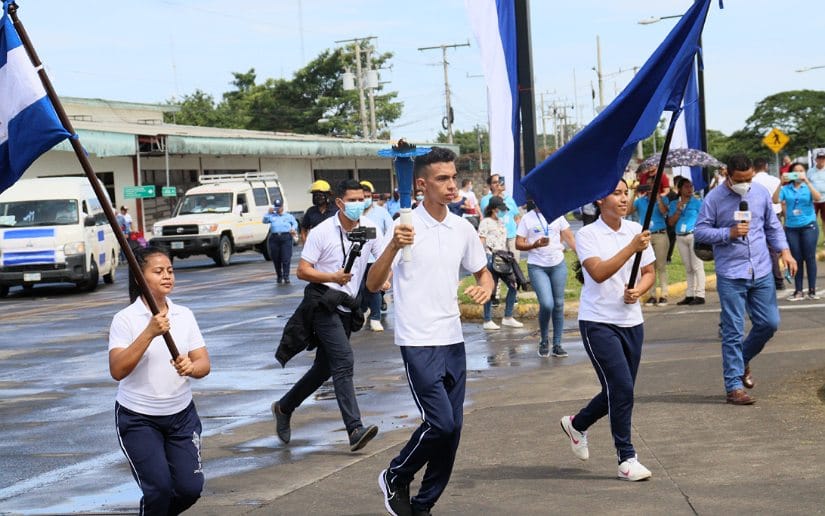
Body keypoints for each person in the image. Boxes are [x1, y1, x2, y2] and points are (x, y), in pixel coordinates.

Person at [366, 146, 492, 516]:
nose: (452, 185)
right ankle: (395, 475)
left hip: (453, 339)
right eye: (442, 179)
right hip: (418, 339)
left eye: (453, 177)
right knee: (441, 422)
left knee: (452, 433)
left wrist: (486, 286)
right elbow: (374, 284)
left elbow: (481, 270)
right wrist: (393, 245)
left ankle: (424, 505)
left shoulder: (461, 228)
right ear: (421, 185)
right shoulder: (403, 225)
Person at [272, 179, 380, 452]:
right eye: (353, 200)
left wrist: (386, 278)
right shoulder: (322, 232)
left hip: (347, 306)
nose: (359, 204)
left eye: (362, 199)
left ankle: (284, 407)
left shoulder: (369, 230)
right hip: (323, 303)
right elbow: (302, 271)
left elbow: (379, 261)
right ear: (340, 203)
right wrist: (332, 276)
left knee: (323, 369)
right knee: (343, 361)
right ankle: (355, 429)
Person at [559, 178, 656, 482]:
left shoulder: (636, 229)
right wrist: (631, 248)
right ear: (600, 200)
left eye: (626, 193)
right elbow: (598, 273)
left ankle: (578, 424)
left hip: (632, 322)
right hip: (599, 322)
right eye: (616, 193)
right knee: (622, 389)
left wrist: (638, 290)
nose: (624, 199)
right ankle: (626, 458)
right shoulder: (587, 234)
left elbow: (650, 273)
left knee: (618, 389)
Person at [109, 246, 211, 515]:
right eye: (158, 271)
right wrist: (150, 332)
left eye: (170, 270)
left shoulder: (184, 315)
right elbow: (118, 370)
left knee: (189, 489)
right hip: (139, 418)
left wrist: (191, 366)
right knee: (160, 489)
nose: (167, 276)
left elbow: (204, 363)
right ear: (139, 278)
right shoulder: (126, 319)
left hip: (181, 416)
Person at [695, 154, 797, 405]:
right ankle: (734, 386)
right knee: (732, 330)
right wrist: (727, 232)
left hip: (761, 269)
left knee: (769, 323)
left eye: (749, 178)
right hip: (731, 273)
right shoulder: (714, 198)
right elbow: (700, 230)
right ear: (728, 175)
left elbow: (772, 226)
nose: (745, 184)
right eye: (740, 180)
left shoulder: (760, 192)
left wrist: (785, 252)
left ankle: (742, 360)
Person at [516, 201, 576, 357]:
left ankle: (557, 344)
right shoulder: (527, 219)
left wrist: (582, 256)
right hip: (537, 266)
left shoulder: (557, 214)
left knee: (558, 304)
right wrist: (533, 245)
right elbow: (518, 243)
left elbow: (569, 236)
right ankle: (543, 339)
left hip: (558, 265)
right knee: (547, 304)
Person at [773, 162, 821, 301]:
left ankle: (812, 290)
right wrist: (780, 183)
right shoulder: (786, 189)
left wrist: (807, 181)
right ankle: (798, 290)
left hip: (808, 226)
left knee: (810, 257)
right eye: (796, 172)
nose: (799, 174)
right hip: (792, 227)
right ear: (791, 174)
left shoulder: (808, 187)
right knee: (796, 259)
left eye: (801, 171)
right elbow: (775, 200)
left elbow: (818, 198)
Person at [478, 196, 523, 330]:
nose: (503, 212)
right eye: (500, 210)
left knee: (513, 285)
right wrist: (482, 259)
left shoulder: (501, 222)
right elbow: (481, 240)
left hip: (503, 258)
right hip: (490, 257)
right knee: (490, 289)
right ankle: (487, 320)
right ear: (493, 209)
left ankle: (508, 317)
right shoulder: (485, 222)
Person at [628, 181, 670, 305]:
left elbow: (664, 212)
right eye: (648, 187)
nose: (650, 190)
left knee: (661, 266)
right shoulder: (640, 201)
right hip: (646, 235)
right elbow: (628, 211)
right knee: (648, 267)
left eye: (653, 187)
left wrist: (657, 197)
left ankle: (664, 294)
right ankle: (651, 294)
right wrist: (634, 194)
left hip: (660, 234)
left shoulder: (663, 199)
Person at [360, 180, 394, 331]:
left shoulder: (381, 212)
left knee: (374, 289)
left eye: (368, 196)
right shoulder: (354, 213)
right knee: (360, 289)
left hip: (376, 258)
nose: (365, 199)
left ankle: (375, 317)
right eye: (363, 196)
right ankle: (362, 312)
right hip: (357, 259)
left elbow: (390, 231)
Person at [667, 177, 706, 305]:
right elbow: (671, 222)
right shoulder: (673, 204)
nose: (690, 189)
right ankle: (690, 294)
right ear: (679, 189)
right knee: (688, 267)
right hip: (680, 236)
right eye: (686, 187)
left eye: (691, 186)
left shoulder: (697, 202)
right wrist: (678, 210)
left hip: (693, 235)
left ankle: (700, 295)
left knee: (697, 266)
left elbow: (704, 219)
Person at [751, 157, 785, 291]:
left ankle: (769, 277)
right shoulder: (775, 180)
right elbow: (780, 199)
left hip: (758, 216)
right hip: (775, 215)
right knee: (773, 249)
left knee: (759, 247)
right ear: (765, 167)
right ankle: (777, 279)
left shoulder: (752, 181)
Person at [263, 199, 298, 284]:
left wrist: (293, 229)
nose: (277, 209)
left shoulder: (288, 216)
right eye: (276, 207)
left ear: (282, 207)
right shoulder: (272, 216)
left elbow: (295, 223)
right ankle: (279, 276)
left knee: (286, 258)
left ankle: (286, 276)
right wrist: (268, 213)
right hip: (274, 238)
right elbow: (264, 221)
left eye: (279, 207)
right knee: (276, 258)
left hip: (286, 237)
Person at [807, 150, 825, 229]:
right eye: (819, 158)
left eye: (823, 158)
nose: (821, 160)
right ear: (816, 160)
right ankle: (812, 238)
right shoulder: (810, 171)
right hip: (813, 200)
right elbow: (806, 184)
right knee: (811, 221)